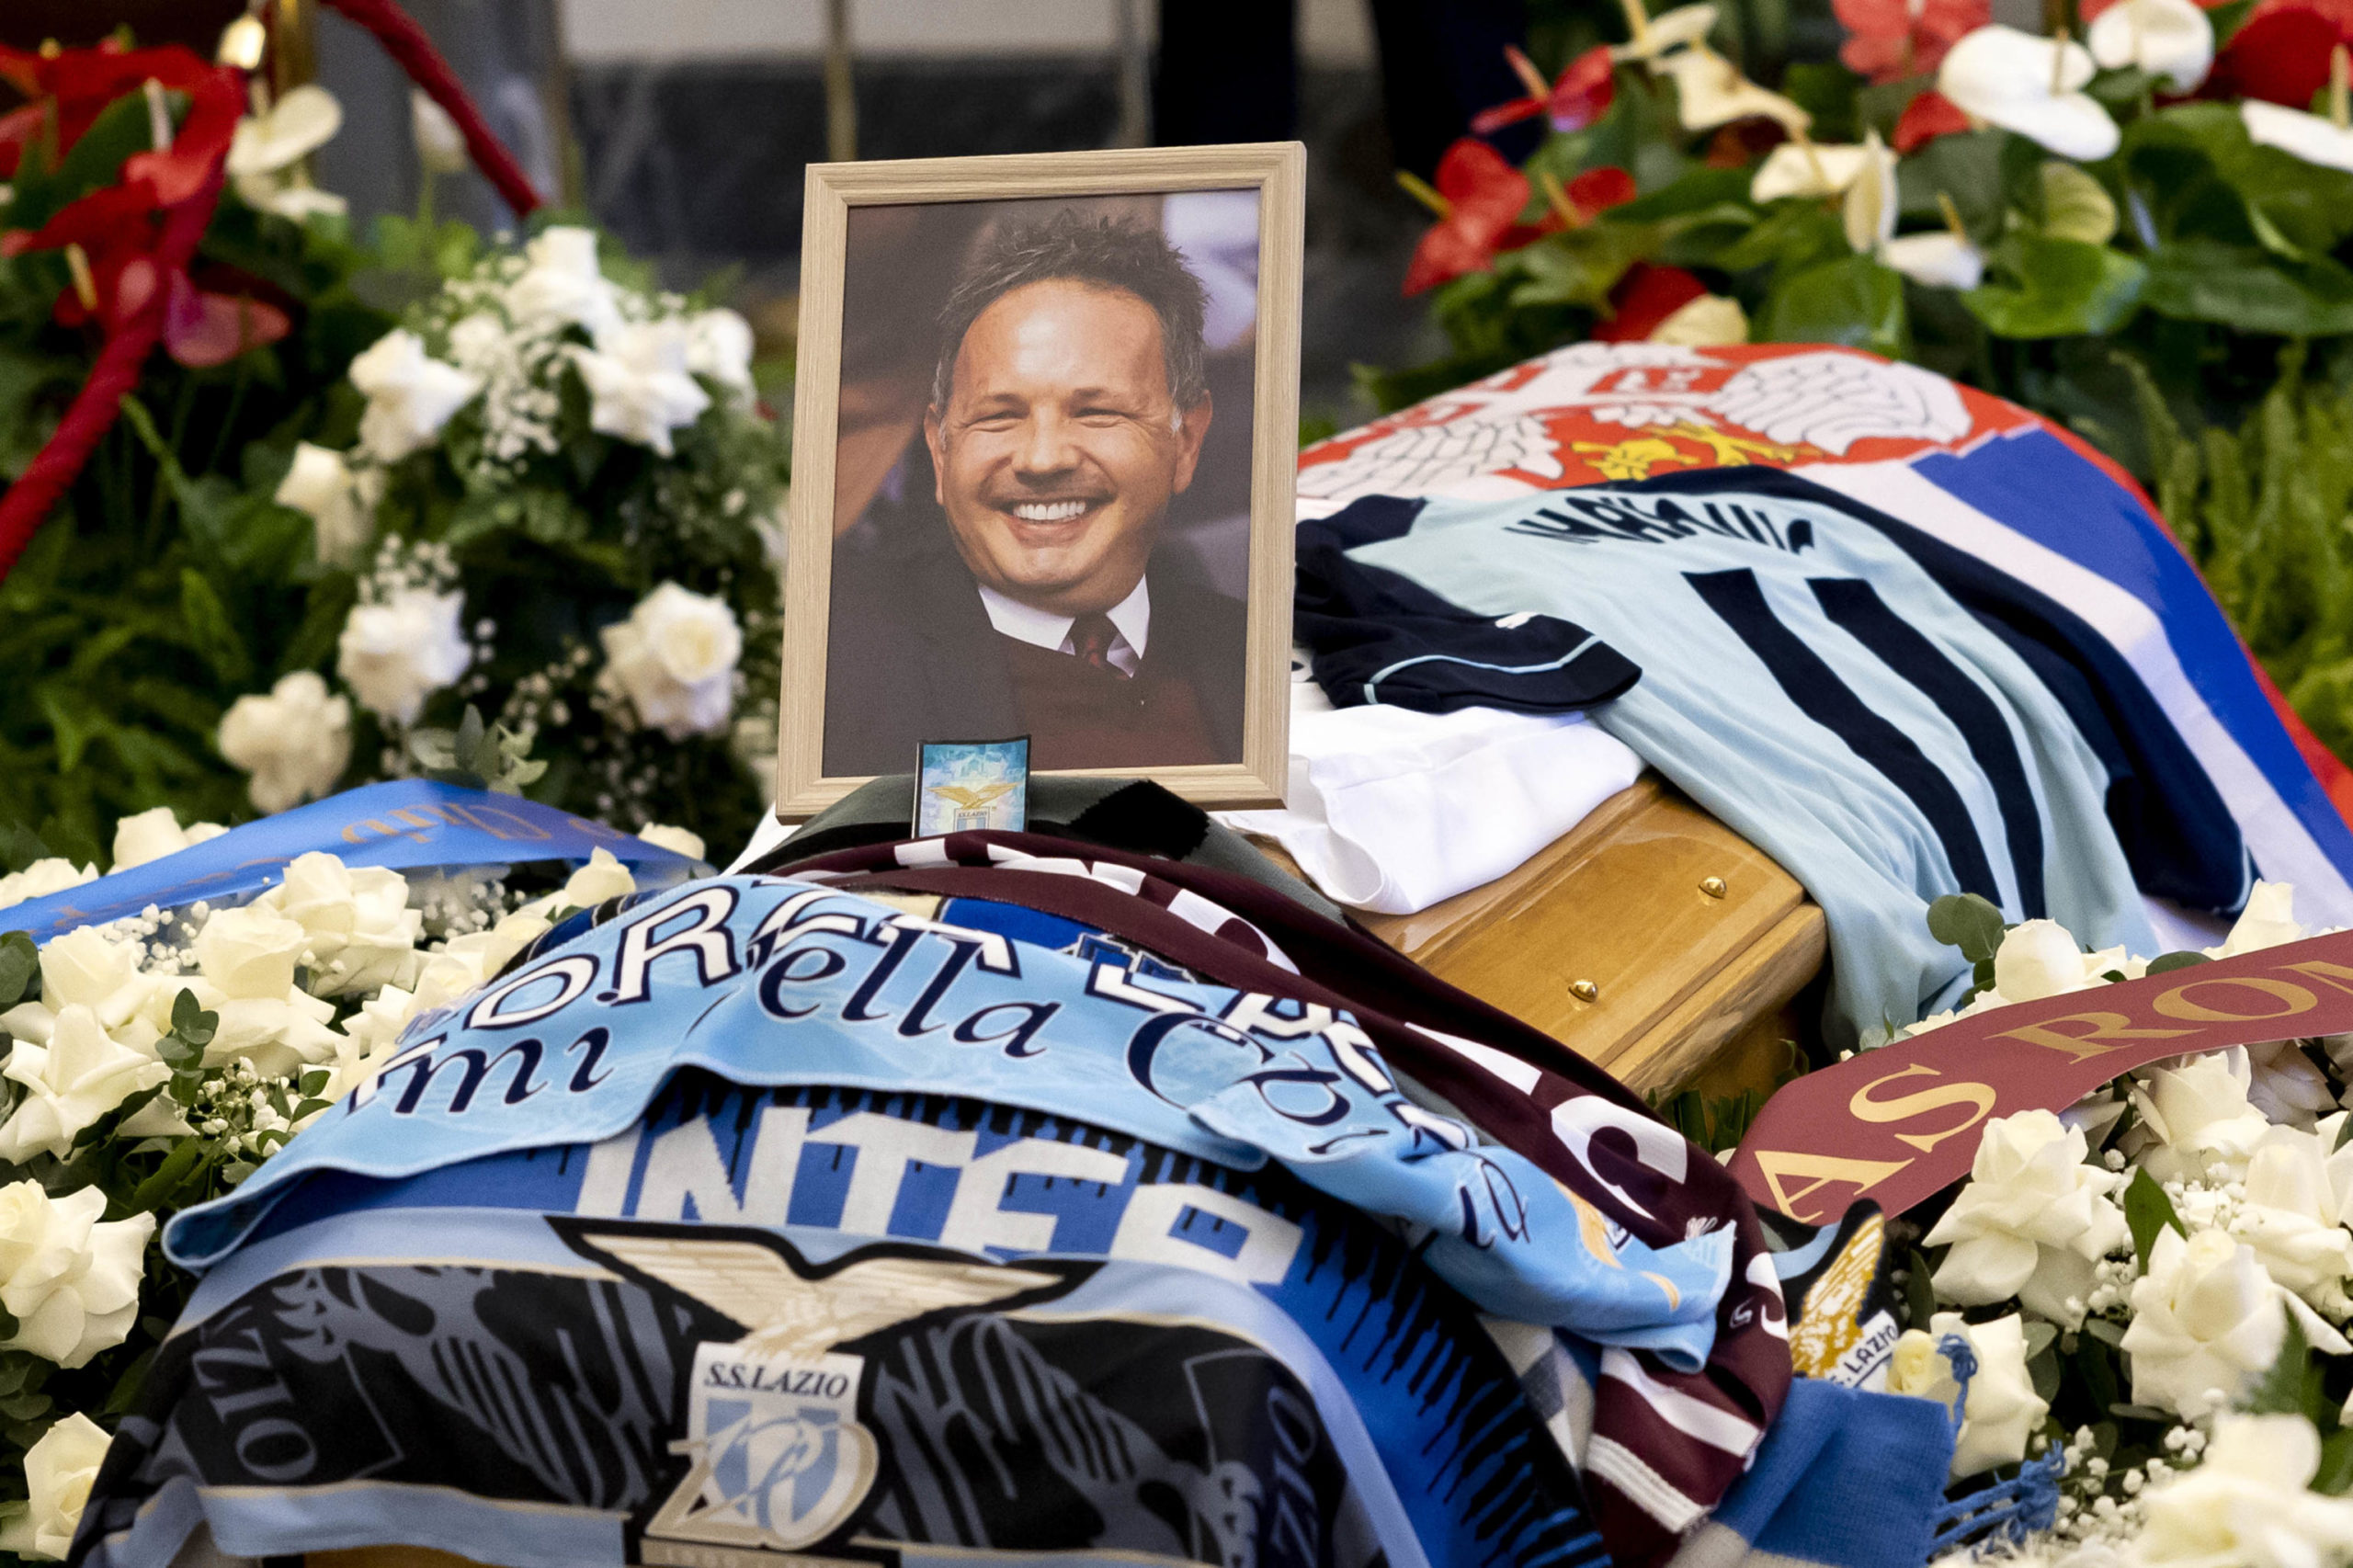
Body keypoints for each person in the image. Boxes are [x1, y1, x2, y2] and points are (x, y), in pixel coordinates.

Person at [824, 210, 1249, 776]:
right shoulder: (835, 670)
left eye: (1096, 412)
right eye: (998, 416)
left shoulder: (1252, 656)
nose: (1043, 458)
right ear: (940, 448)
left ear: (1186, 440)